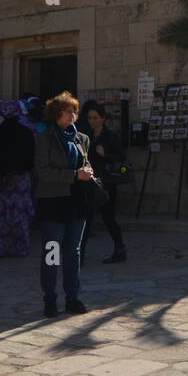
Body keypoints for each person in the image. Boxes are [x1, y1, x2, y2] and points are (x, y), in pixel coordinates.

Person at [34, 92, 93, 317]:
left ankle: (73, 297)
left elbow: (85, 165)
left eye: (75, 111)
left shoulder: (82, 138)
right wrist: (74, 175)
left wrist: (87, 172)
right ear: (58, 113)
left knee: (73, 252)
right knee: (52, 252)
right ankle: (49, 298)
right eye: (70, 111)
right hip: (53, 202)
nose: (74, 115)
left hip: (77, 202)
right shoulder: (45, 138)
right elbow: (43, 171)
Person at [0, 99, 36, 258]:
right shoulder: (26, 132)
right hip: (20, 180)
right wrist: (17, 174)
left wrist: (1, 175)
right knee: (20, 215)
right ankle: (20, 248)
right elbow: (29, 157)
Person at [80, 100, 127, 264]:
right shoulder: (87, 136)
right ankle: (80, 255)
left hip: (106, 183)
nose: (91, 121)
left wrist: (105, 154)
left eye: (95, 118)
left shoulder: (110, 136)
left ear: (103, 119)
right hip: (90, 181)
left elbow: (121, 156)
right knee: (86, 218)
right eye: (90, 118)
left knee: (108, 217)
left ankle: (120, 249)